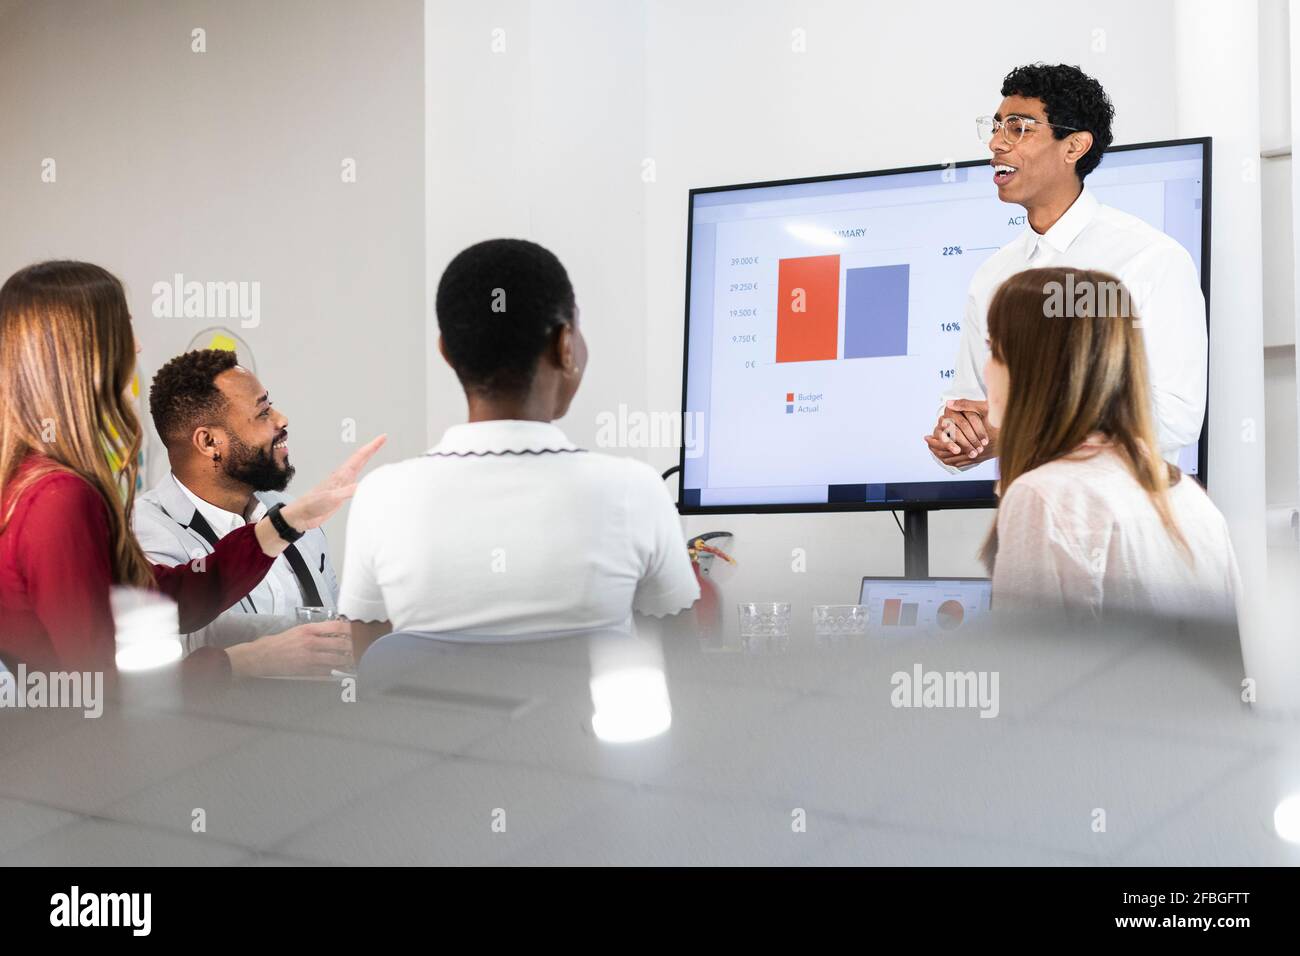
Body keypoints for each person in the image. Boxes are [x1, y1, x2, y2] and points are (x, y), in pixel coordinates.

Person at [0, 260, 384, 676]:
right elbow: (99, 690)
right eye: (124, 327)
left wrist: (289, 522)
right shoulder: (58, 499)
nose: (139, 346)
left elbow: (162, 599)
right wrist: (240, 663)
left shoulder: (40, 485)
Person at [339, 238, 699, 651]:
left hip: (432, 718)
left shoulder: (381, 496)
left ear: (446, 352)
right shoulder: (635, 490)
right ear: (565, 346)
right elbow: (684, 676)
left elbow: (371, 679)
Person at [927, 63, 1206, 473]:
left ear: (1073, 147)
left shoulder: (1149, 258)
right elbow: (969, 403)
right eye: (997, 125)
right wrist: (959, 436)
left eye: (1019, 128)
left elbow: (1175, 416)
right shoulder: (992, 275)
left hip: (1120, 523)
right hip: (1030, 517)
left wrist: (1024, 425)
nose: (996, 144)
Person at [979, 266, 1238, 622]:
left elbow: (1026, 671)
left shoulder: (1042, 497)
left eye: (994, 350)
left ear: (1034, 367)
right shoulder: (1191, 499)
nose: (984, 370)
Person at [133, 349, 351, 678]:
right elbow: (175, 655)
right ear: (209, 442)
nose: (281, 419)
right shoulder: (144, 531)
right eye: (263, 412)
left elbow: (334, 632)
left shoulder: (295, 514)